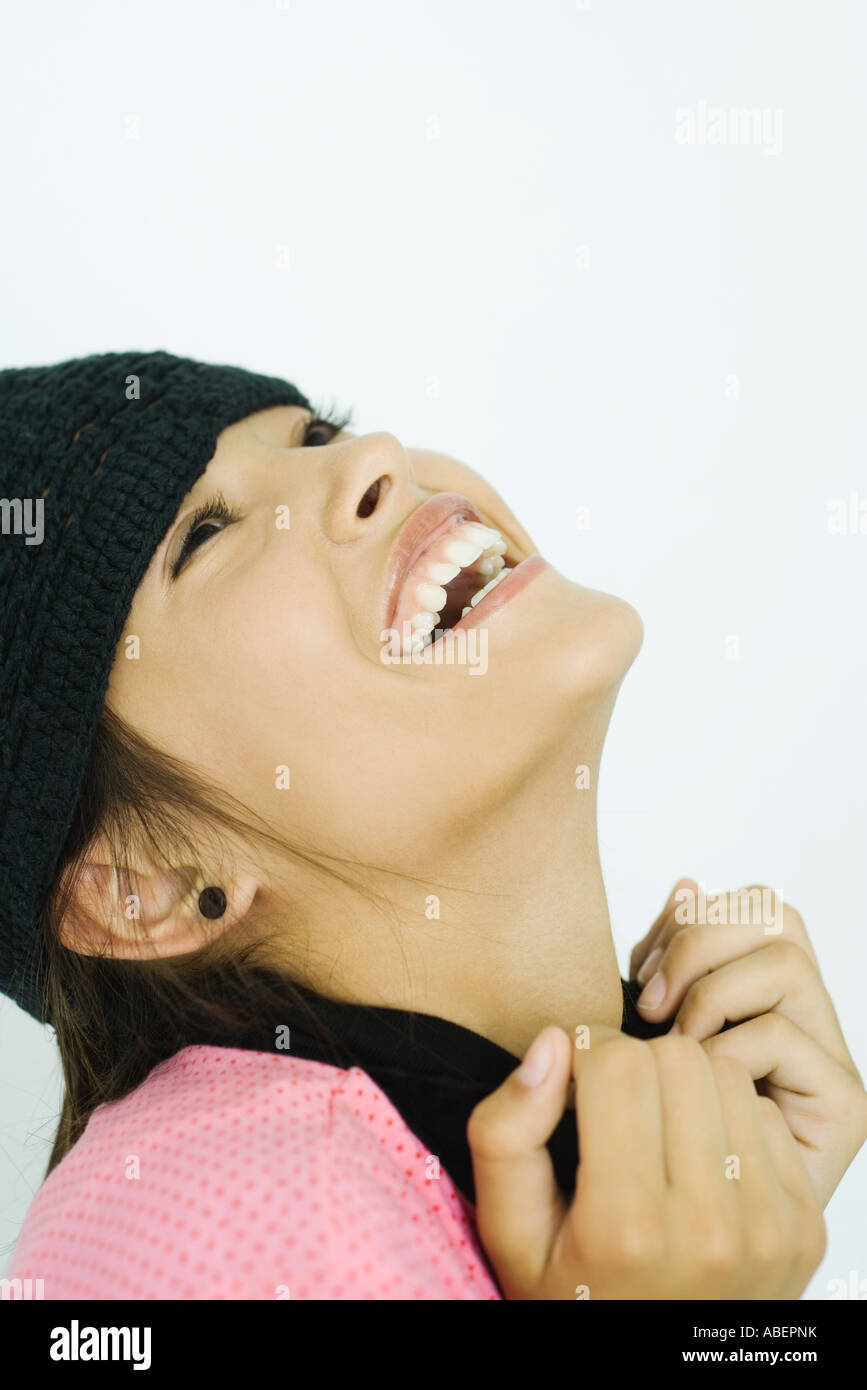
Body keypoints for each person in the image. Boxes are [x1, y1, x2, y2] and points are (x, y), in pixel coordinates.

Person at [1, 350, 863, 1300]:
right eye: (204, 534)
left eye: (315, 432)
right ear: (144, 887)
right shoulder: (213, 1229)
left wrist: (730, 1223)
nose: (374, 454)